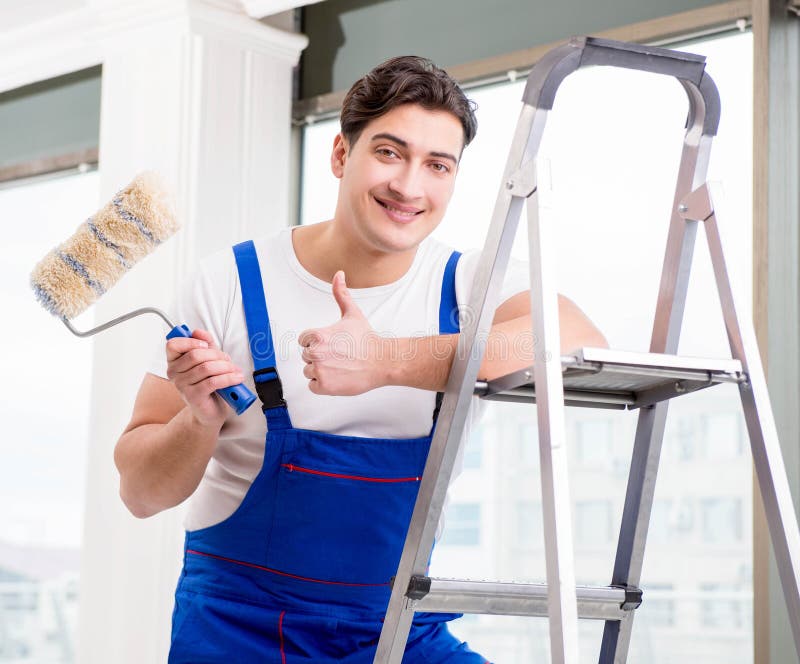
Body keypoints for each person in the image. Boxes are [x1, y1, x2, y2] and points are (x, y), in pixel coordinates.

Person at [115, 55, 607, 663]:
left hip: (401, 628)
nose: (409, 186)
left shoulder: (468, 283)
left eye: (437, 165)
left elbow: (574, 341)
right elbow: (139, 494)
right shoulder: (228, 285)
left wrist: (387, 361)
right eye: (389, 152)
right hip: (237, 631)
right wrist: (198, 419)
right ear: (341, 155)